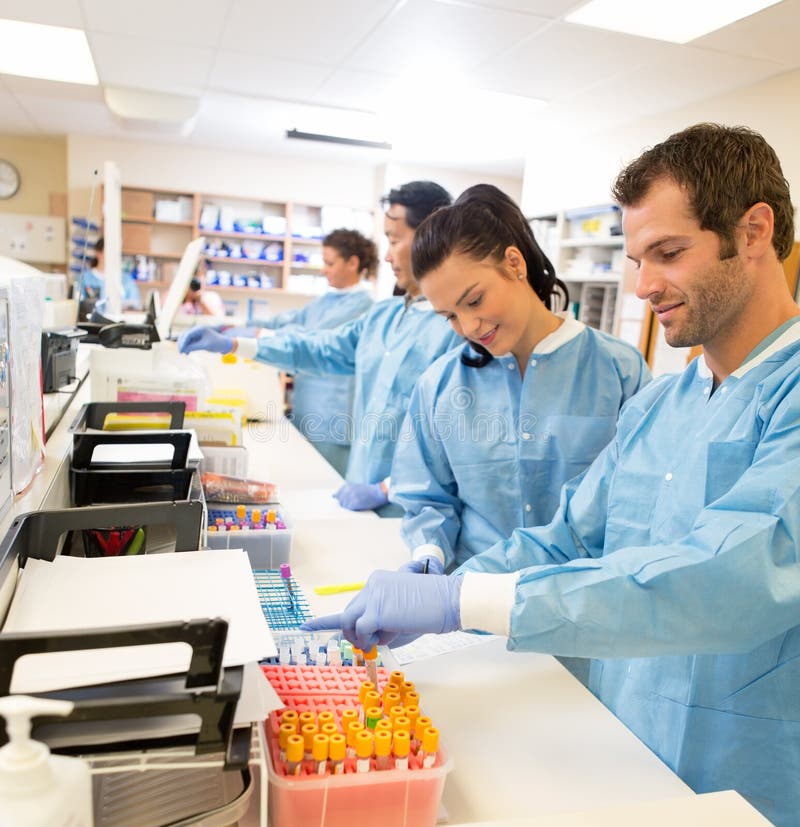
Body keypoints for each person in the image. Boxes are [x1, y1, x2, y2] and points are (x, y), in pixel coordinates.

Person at [303, 124, 800, 824]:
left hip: (748, 778)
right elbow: (570, 534)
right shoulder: (664, 401)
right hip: (619, 749)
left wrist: (468, 603)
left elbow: (727, 576)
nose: (644, 285)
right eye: (635, 258)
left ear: (753, 232)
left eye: (668, 252)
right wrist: (449, 586)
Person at [391, 184, 650, 572]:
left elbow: (639, 499)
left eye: (475, 300)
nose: (469, 326)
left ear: (514, 263)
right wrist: (429, 554)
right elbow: (427, 498)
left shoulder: (619, 370)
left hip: (582, 604)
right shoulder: (439, 386)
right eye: (450, 316)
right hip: (471, 607)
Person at [178, 181, 462, 514]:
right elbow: (319, 347)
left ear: (433, 237)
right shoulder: (385, 316)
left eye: (395, 240)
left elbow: (457, 441)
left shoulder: (455, 328)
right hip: (360, 492)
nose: (387, 255)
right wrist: (236, 343)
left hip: (417, 511)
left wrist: (390, 487)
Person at [223, 228, 377, 476]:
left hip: (333, 418)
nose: (323, 269)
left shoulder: (364, 306)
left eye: (330, 263)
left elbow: (312, 336)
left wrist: (257, 337)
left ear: (353, 263)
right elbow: (288, 320)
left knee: (328, 485)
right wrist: (237, 328)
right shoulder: (325, 301)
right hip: (307, 407)